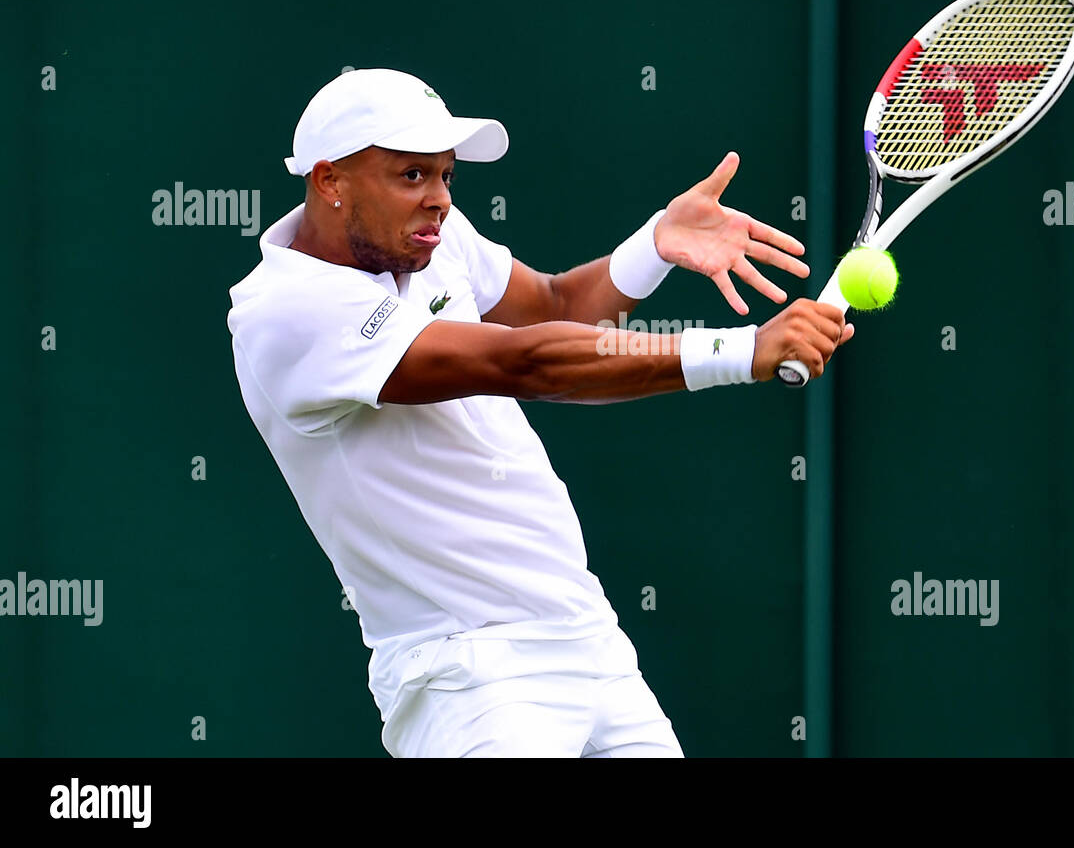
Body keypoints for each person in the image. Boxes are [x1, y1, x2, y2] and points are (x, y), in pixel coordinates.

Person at [226, 68, 853, 758]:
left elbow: (556, 309)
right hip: (470, 673)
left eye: (445, 177)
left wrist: (654, 245)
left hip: (589, 639)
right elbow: (525, 362)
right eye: (411, 176)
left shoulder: (431, 238)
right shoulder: (287, 310)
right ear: (330, 182)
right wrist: (740, 351)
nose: (437, 200)